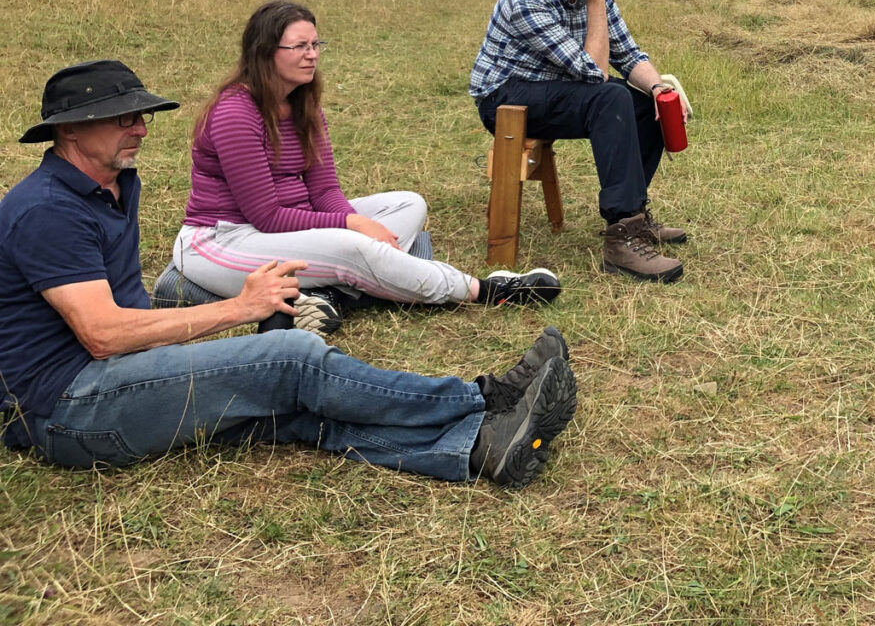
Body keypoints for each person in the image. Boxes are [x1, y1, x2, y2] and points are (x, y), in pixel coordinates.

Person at [0, 59, 576, 488]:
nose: (142, 129)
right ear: (70, 130)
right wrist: (238, 309)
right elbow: (102, 334)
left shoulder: (116, 184)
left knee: (293, 412)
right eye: (124, 118)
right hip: (71, 408)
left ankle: (478, 449)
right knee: (292, 358)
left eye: (141, 116)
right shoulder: (48, 210)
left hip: (111, 382)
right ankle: (486, 399)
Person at [170, 0, 559, 335]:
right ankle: (483, 290)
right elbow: (267, 216)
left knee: (409, 204)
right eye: (300, 46)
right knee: (354, 247)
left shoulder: (303, 104)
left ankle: (330, 295)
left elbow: (324, 191)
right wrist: (353, 225)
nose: (312, 54)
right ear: (264, 52)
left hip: (288, 225)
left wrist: (352, 222)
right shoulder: (236, 113)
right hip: (223, 240)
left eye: (315, 44)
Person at [470, 0, 689, 283]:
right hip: (506, 97)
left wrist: (659, 89)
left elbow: (628, 54)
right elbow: (596, 75)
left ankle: (634, 218)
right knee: (610, 97)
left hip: (558, 86)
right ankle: (621, 239)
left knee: (642, 101)